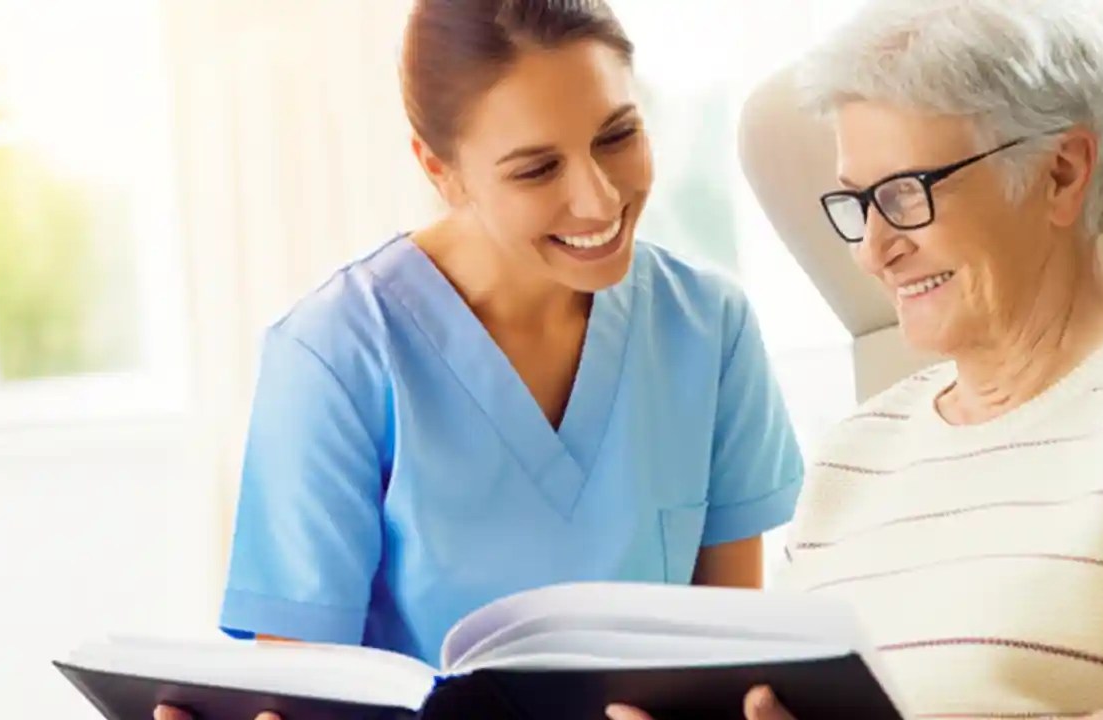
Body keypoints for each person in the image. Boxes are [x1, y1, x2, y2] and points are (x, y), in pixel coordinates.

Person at [155, 0, 804, 718]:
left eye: (617, 135)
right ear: (440, 170)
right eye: (537, 170)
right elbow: (305, 701)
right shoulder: (334, 357)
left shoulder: (709, 329)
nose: (598, 199)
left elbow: (725, 676)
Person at [607, 0, 1103, 718]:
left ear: (1061, 174)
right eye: (858, 202)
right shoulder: (855, 454)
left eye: (906, 193)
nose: (872, 251)